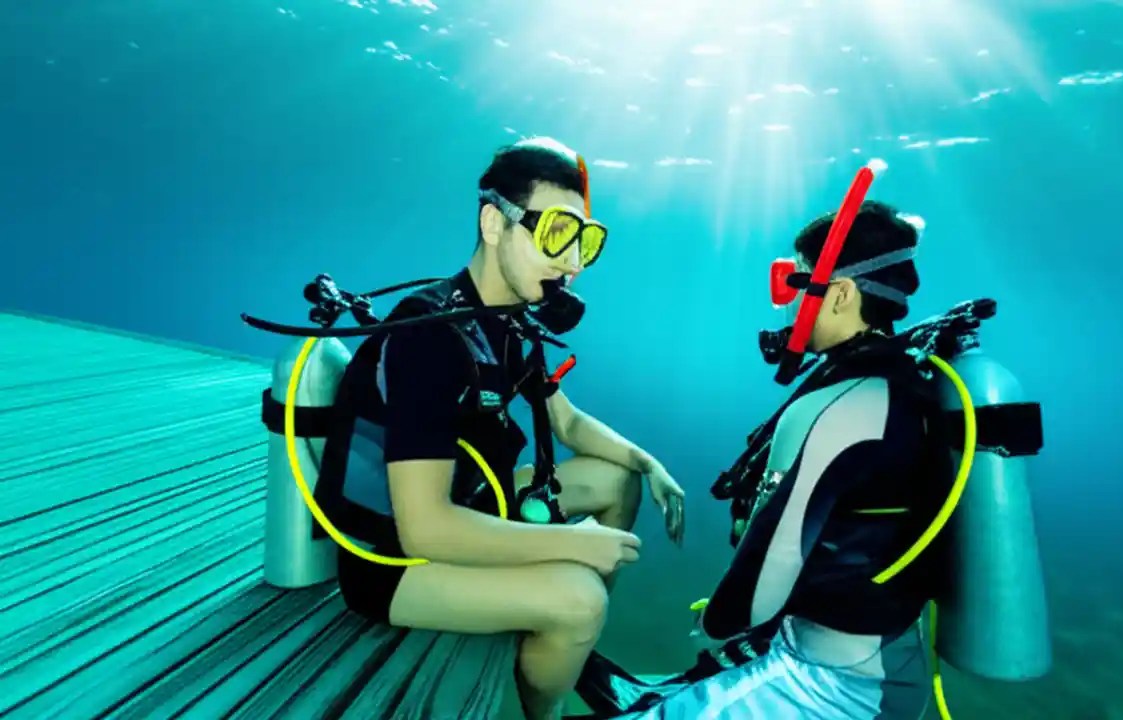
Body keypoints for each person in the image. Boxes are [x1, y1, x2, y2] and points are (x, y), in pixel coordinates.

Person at [313, 137, 687, 720]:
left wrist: (648, 463)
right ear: (494, 223)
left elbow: (566, 421)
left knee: (617, 482)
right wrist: (572, 545)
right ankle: (545, 696)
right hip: (389, 561)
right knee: (582, 599)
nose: (573, 263)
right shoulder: (430, 336)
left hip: (471, 502)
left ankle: (554, 640)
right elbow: (425, 531)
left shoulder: (506, 322)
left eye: (586, 241)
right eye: (557, 234)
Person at [602, 198, 953, 719]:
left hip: (834, 686)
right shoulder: (902, 385)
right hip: (888, 665)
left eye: (796, 282)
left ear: (839, 295)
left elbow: (771, 568)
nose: (787, 302)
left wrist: (720, 623)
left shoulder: (836, 404)